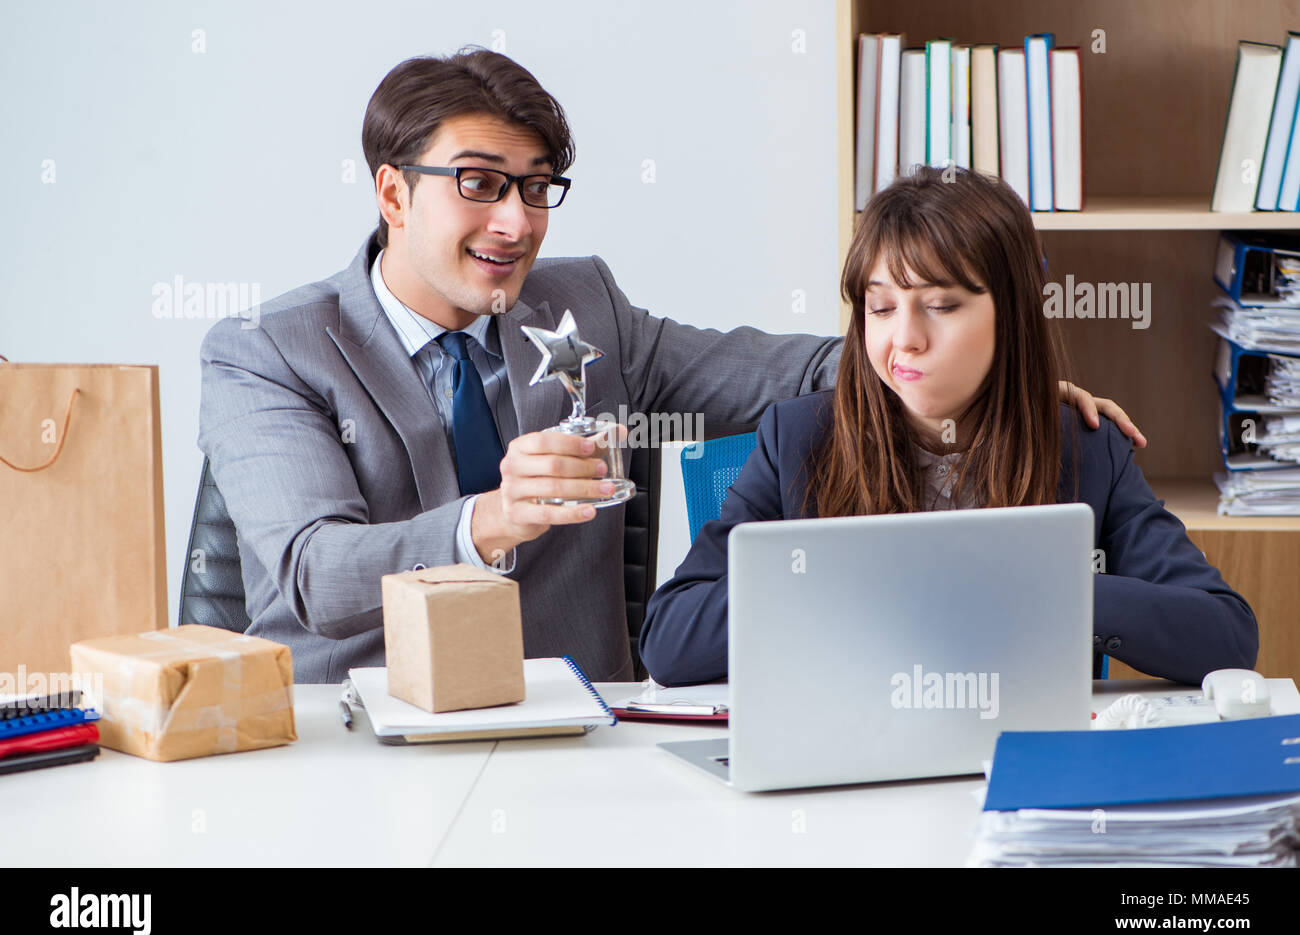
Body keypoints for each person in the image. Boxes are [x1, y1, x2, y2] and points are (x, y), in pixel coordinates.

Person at [199, 49, 1141, 684]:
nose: (516, 222)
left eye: (535, 189)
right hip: (354, 736)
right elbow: (312, 574)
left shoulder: (582, 303)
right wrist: (489, 519)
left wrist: (969, 378)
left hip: (578, 730)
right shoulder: (269, 347)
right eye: (480, 184)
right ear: (394, 193)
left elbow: (777, 368)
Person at [639, 166, 1258, 689]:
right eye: (880, 308)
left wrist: (1042, 590)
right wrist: (849, 577)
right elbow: (670, 640)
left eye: (940, 305)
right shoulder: (798, 438)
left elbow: (1225, 637)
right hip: (849, 758)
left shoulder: (1085, 446)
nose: (903, 337)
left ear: (1011, 314)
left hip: (1013, 760)